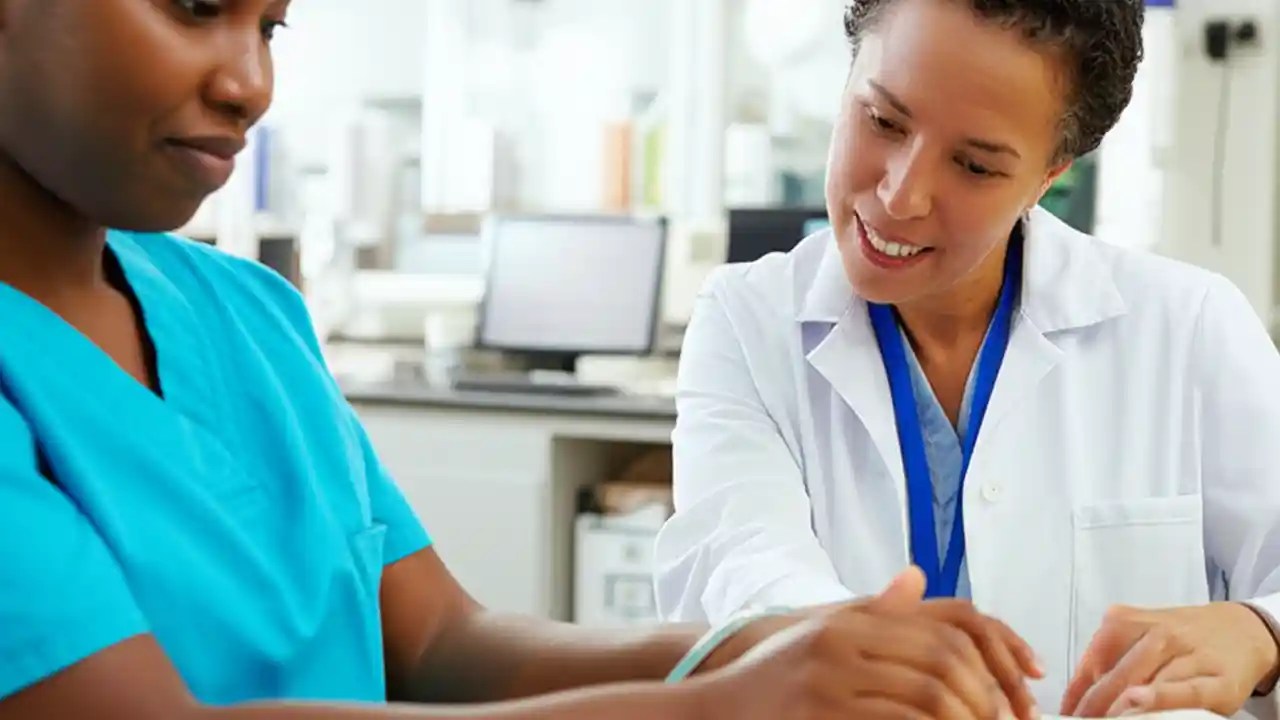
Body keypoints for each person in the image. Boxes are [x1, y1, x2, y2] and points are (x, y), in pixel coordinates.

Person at [0, 2, 1052, 720]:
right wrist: (711, 706)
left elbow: (440, 643)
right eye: (194, 7)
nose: (251, 82)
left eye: (271, 25)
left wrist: (770, 649)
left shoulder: (247, 312)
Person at [653, 0, 1280, 717]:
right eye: (883, 121)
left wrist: (1258, 631)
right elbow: (742, 570)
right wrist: (854, 656)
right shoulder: (747, 322)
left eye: (975, 166)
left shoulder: (1190, 327)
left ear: (1049, 176)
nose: (900, 194)